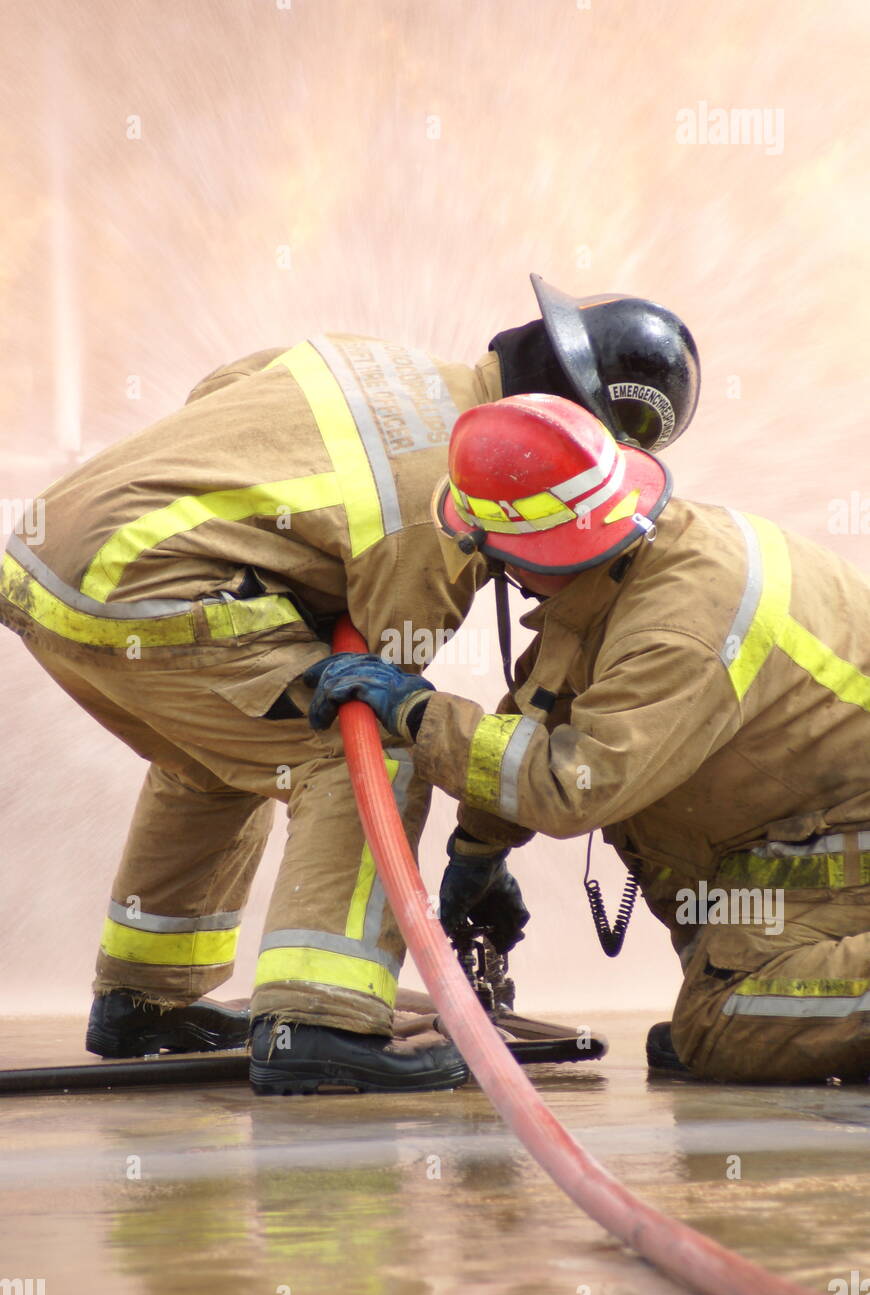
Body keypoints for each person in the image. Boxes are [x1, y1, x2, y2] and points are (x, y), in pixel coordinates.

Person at [0, 276, 698, 1094]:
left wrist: (277, 554)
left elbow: (219, 392)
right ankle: (321, 1023)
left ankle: (145, 1002)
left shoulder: (377, 363)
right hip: (146, 587)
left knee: (224, 756)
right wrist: (483, 846)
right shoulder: (451, 501)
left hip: (48, 564)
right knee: (364, 747)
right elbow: (390, 688)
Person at [310, 392, 870, 1086]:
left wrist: (417, 713)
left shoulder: (675, 631)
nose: (496, 576)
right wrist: (480, 849)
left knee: (723, 1021)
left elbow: (572, 782)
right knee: (722, 1019)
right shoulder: (630, 562)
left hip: (837, 867)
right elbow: (547, 704)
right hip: (809, 851)